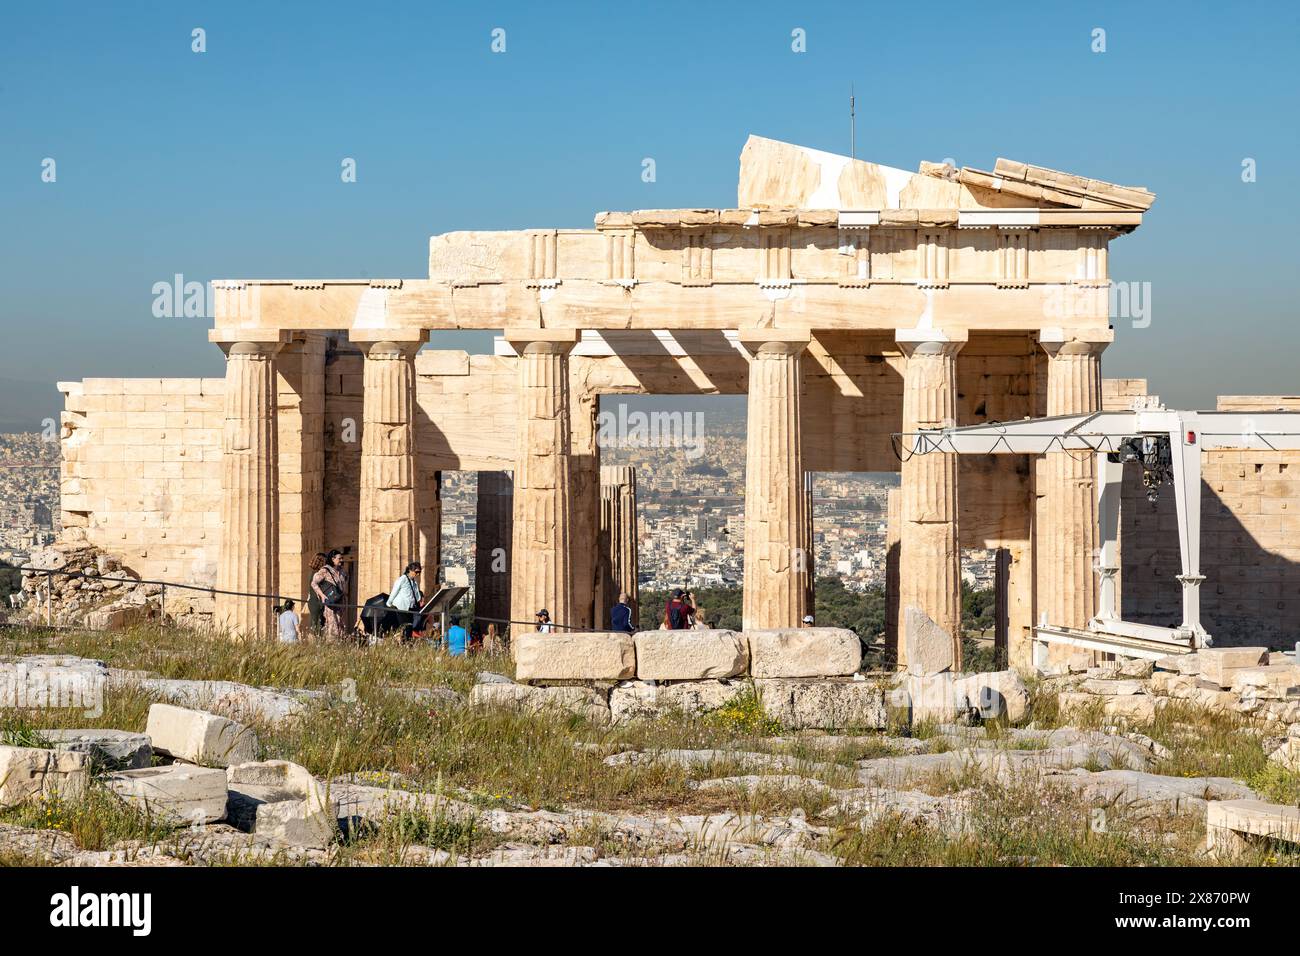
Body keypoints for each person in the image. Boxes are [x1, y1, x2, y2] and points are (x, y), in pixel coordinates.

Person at [311, 549, 349, 641]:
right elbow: (314, 583)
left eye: (342, 558)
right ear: (333, 559)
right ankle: (332, 646)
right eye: (339, 558)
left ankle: (341, 645)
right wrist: (322, 595)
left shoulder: (342, 571)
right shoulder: (325, 570)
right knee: (333, 626)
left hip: (341, 602)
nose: (341, 560)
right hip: (331, 603)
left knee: (341, 625)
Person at [386, 561, 424, 642]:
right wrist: (389, 603)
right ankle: (404, 643)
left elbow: (417, 595)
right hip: (401, 608)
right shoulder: (402, 579)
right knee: (405, 627)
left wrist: (420, 600)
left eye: (419, 572)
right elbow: (394, 591)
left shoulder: (414, 582)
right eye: (417, 572)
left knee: (410, 627)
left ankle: (407, 643)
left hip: (410, 608)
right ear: (410, 570)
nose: (418, 574)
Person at [306, 552, 327, 634]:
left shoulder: (312, 573)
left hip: (313, 601)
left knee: (316, 624)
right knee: (317, 626)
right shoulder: (317, 575)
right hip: (316, 602)